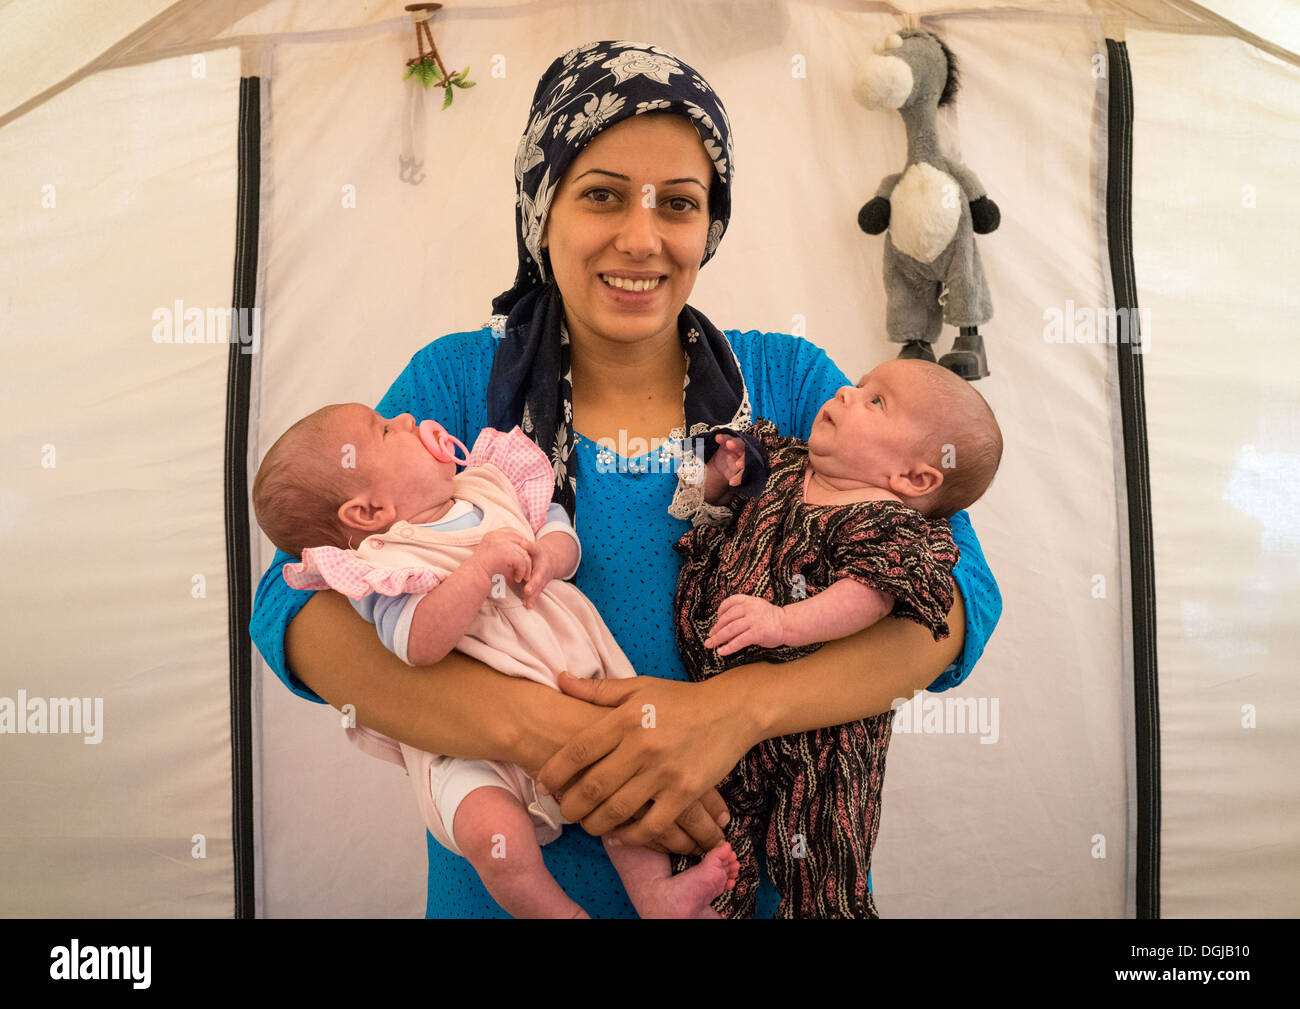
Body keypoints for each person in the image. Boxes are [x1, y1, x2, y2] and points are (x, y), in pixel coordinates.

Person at [250, 39, 1003, 918]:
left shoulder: (792, 386)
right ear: (544, 209)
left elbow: (955, 600)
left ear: (708, 224)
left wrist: (737, 712)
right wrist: (551, 732)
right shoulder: (457, 388)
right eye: (602, 193)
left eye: (678, 203)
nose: (642, 237)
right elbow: (291, 606)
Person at [250, 404, 740, 917]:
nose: (410, 420)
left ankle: (657, 897)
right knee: (492, 836)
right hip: (469, 748)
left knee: (626, 796)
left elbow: (557, 531)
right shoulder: (382, 562)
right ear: (367, 514)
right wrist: (479, 569)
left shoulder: (490, 484)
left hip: (570, 675)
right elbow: (417, 643)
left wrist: (550, 555)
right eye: (387, 429)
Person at [671, 358, 1004, 917]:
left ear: (915, 479)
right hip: (721, 725)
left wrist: (783, 624)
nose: (848, 394)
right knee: (715, 844)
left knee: (822, 859)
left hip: (826, 742)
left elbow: (869, 595)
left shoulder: (883, 522)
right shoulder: (782, 464)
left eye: (876, 402)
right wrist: (721, 470)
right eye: (860, 385)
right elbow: (707, 502)